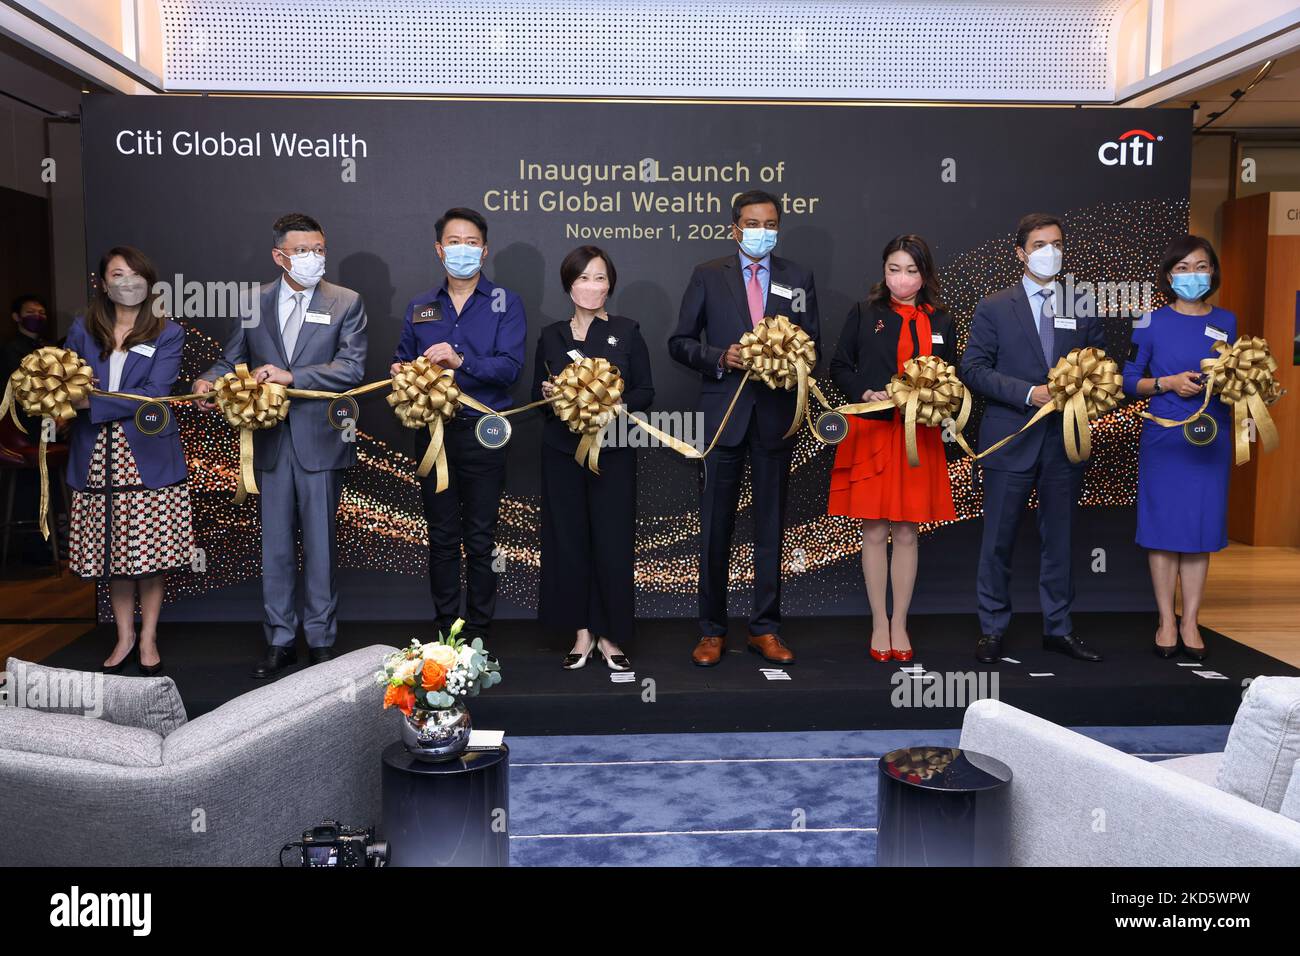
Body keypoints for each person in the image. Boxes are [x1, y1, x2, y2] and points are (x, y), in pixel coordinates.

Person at [194, 213, 368, 678]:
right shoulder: (253, 302)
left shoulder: (345, 301)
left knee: (320, 547)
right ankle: (280, 639)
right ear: (279, 256)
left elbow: (351, 369)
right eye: (303, 250)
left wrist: (293, 377)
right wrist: (209, 381)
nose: (314, 258)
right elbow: (232, 358)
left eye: (319, 249)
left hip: (321, 439)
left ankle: (321, 639)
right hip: (269, 440)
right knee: (274, 548)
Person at [669, 189, 820, 667]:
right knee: (715, 527)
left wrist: (793, 356)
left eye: (771, 224)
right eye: (753, 224)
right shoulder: (708, 275)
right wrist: (719, 357)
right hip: (722, 420)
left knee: (771, 526)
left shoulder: (798, 277)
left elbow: (812, 342)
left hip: (776, 417)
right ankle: (712, 631)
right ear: (735, 227)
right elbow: (680, 342)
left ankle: (765, 629)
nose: (762, 232)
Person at [960, 212, 1105, 664]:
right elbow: (974, 370)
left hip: (1064, 439)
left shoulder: (1080, 302)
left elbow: (1100, 365)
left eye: (1057, 244)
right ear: (1021, 253)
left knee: (1059, 540)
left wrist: (1085, 391)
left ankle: (1058, 629)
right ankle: (992, 630)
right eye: (1040, 245)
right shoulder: (994, 306)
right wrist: (1029, 393)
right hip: (1010, 438)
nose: (1050, 252)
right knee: (998, 541)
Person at [390, 207, 526, 641]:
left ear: (484, 251)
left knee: (481, 539)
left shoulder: (505, 301)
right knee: (443, 536)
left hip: (484, 433)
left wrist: (460, 360)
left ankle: (479, 632)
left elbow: (509, 369)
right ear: (438, 249)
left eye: (471, 243)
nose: (462, 250)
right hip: (434, 434)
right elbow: (403, 355)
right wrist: (401, 371)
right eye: (453, 242)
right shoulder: (421, 305)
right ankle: (446, 632)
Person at [828, 235, 958, 662]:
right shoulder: (865, 313)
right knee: (874, 530)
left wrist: (941, 404)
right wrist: (861, 392)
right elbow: (839, 366)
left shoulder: (942, 319)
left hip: (918, 437)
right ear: (883, 272)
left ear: (925, 275)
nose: (902, 279)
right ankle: (877, 622)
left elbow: (954, 379)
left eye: (911, 271)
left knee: (906, 530)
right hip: (873, 431)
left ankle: (900, 621)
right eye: (893, 269)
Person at [64, 248, 192, 675]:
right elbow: (63, 385)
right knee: (115, 555)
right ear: (102, 281)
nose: (127, 280)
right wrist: (74, 400)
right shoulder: (83, 328)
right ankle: (124, 636)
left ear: (148, 280)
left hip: (147, 453)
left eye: (135, 273)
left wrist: (92, 403)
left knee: (149, 555)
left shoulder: (167, 332)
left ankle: (149, 637)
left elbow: (155, 395)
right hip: (96, 455)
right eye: (118, 273)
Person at [532, 246, 653, 670]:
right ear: (569, 284)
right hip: (562, 453)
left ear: (610, 284)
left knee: (612, 541)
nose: (592, 286)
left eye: (600, 278)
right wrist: (549, 395)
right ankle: (580, 633)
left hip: (613, 452)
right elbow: (535, 395)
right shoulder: (551, 335)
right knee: (569, 541)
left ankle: (610, 634)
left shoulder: (627, 330)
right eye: (583, 278)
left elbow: (645, 392)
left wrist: (613, 403)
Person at [1123, 235, 1235, 661]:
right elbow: (1128, 380)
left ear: (1213, 271)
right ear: (1170, 275)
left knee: (1199, 531)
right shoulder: (1149, 322)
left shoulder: (1228, 320)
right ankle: (1166, 620)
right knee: (1165, 532)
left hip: (1211, 437)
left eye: (1201, 266)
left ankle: (1191, 620)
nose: (1194, 275)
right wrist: (1167, 383)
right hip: (1166, 437)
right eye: (1184, 268)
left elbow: (1239, 377)